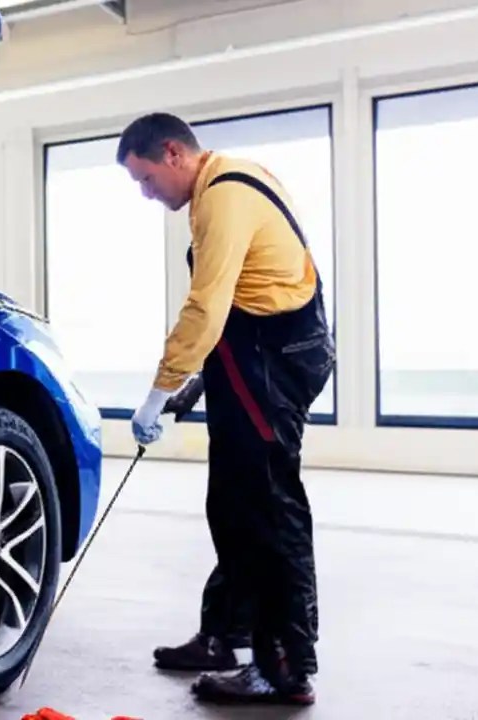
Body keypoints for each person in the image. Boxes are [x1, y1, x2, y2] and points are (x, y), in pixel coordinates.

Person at [115, 112, 335, 705]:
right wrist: (193, 390)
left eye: (145, 178)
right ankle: (225, 634)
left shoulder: (222, 196)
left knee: (267, 507)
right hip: (262, 352)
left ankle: (284, 666)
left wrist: (159, 390)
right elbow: (242, 303)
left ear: (172, 153)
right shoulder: (229, 178)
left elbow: (208, 307)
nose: (146, 192)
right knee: (232, 503)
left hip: (276, 356)